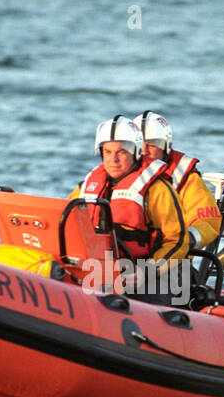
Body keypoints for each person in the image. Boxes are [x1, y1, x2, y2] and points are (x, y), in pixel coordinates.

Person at [70, 116, 190, 298]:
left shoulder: (156, 189)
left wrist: (147, 271)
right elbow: (64, 221)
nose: (113, 159)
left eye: (122, 152)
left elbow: (177, 241)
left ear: (135, 152)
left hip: (148, 272)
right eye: (108, 152)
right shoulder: (87, 186)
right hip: (100, 269)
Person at [133, 111, 222, 252]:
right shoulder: (118, 172)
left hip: (171, 260)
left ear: (166, 147)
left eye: (151, 145)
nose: (144, 151)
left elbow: (208, 223)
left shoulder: (185, 177)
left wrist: (185, 240)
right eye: (139, 144)